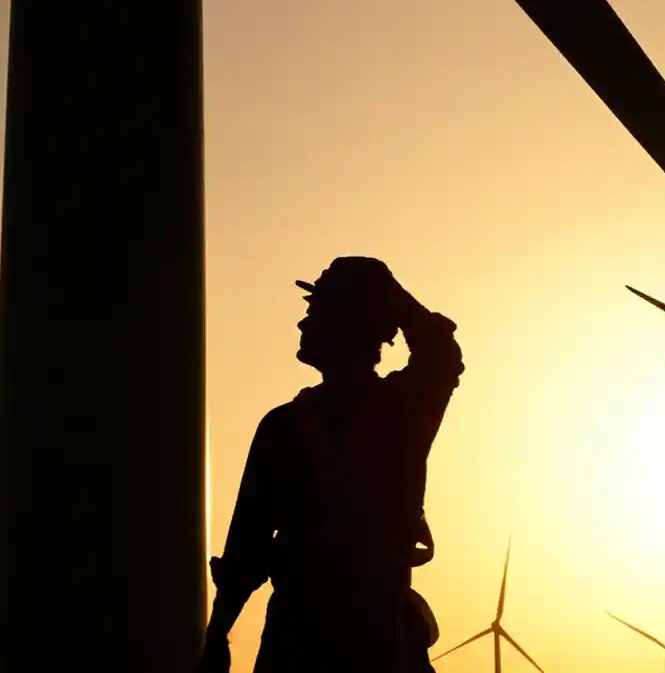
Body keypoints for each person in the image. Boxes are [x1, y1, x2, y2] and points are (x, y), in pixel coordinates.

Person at [198, 256, 465, 673]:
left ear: (352, 326)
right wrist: (216, 637)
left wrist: (217, 636)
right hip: (319, 639)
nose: (303, 326)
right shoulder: (291, 425)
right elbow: (245, 550)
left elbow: (440, 354)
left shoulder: (398, 410)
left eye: (317, 313)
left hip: (353, 642)